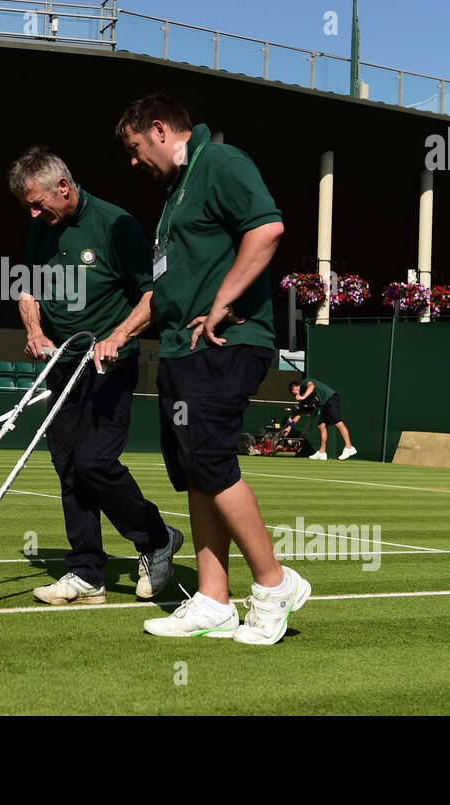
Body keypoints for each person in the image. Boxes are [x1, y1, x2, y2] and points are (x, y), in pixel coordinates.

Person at [115, 93, 310, 645]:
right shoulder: (175, 195)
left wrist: (224, 299)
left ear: (158, 129)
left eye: (134, 149)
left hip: (228, 341)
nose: (133, 162)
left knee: (212, 459)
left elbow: (267, 229)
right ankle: (213, 600)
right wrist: (119, 334)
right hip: (182, 348)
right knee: (195, 471)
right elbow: (162, 289)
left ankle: (275, 584)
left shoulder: (221, 163)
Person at [8, 145, 182, 605]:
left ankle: (157, 538)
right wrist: (35, 331)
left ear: (63, 186)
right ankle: (87, 573)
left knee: (94, 462)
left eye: (36, 201)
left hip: (110, 360)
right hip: (62, 362)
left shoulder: (115, 224)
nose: (31, 211)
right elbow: (29, 292)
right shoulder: (40, 229)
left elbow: (152, 296)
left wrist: (118, 337)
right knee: (66, 464)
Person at [290, 378, 356, 459]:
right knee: (321, 426)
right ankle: (322, 452)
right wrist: (289, 427)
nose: (296, 396)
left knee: (338, 422)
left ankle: (349, 447)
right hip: (325, 404)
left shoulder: (304, 383)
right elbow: (299, 414)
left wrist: (303, 397)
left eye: (294, 393)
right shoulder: (306, 395)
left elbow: (311, 386)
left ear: (295, 387)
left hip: (331, 399)